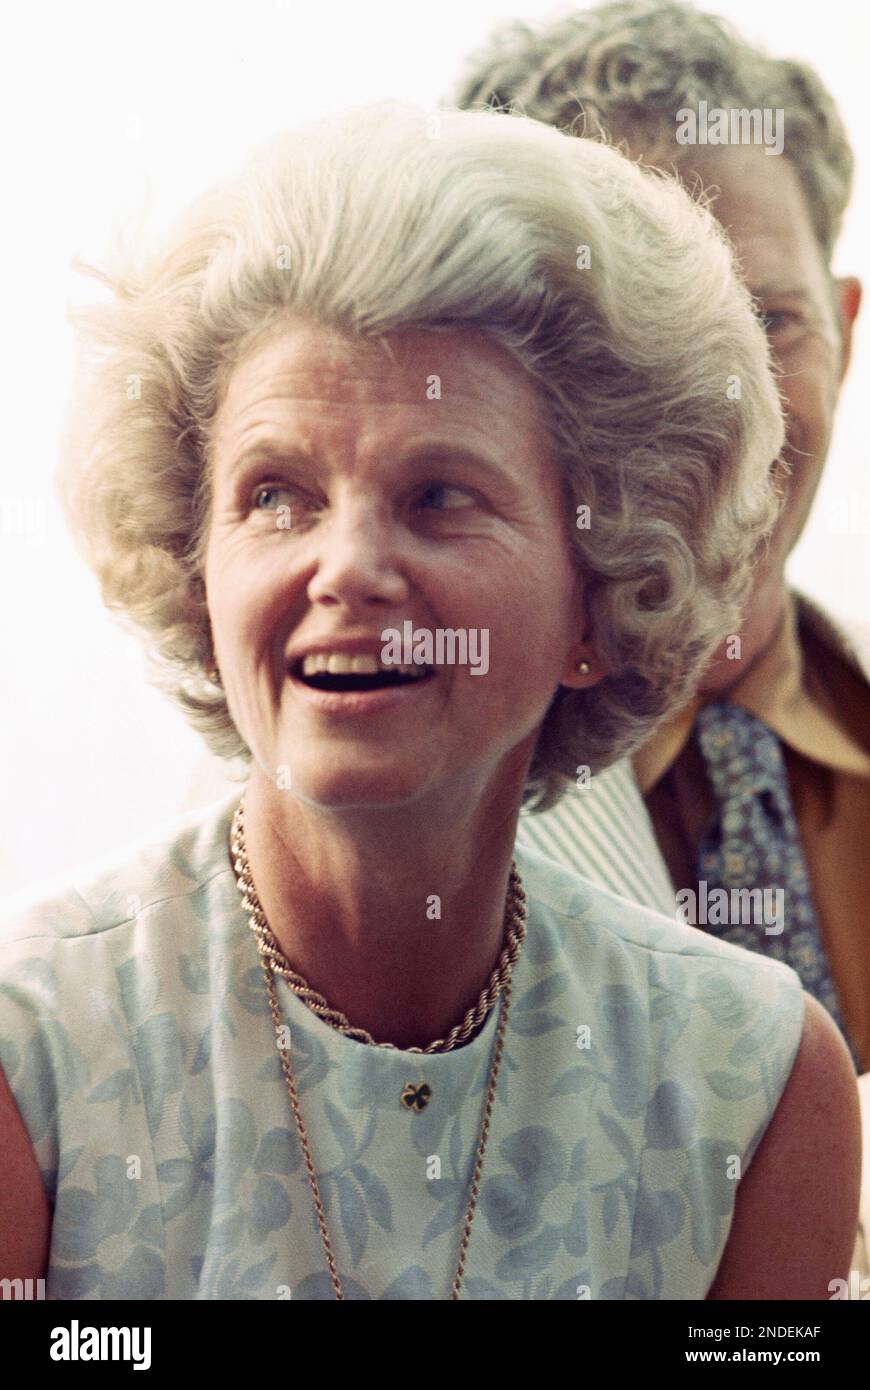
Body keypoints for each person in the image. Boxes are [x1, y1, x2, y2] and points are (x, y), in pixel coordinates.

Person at [0, 103, 859, 1301]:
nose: (345, 565)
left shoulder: (750, 1079)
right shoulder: (29, 1042)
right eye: (276, 495)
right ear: (198, 573)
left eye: (441, 494)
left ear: (600, 598)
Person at [452, 0, 869, 1078]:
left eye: (771, 324)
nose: (735, 409)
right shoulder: (356, 809)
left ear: (848, 327)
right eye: (637, 337)